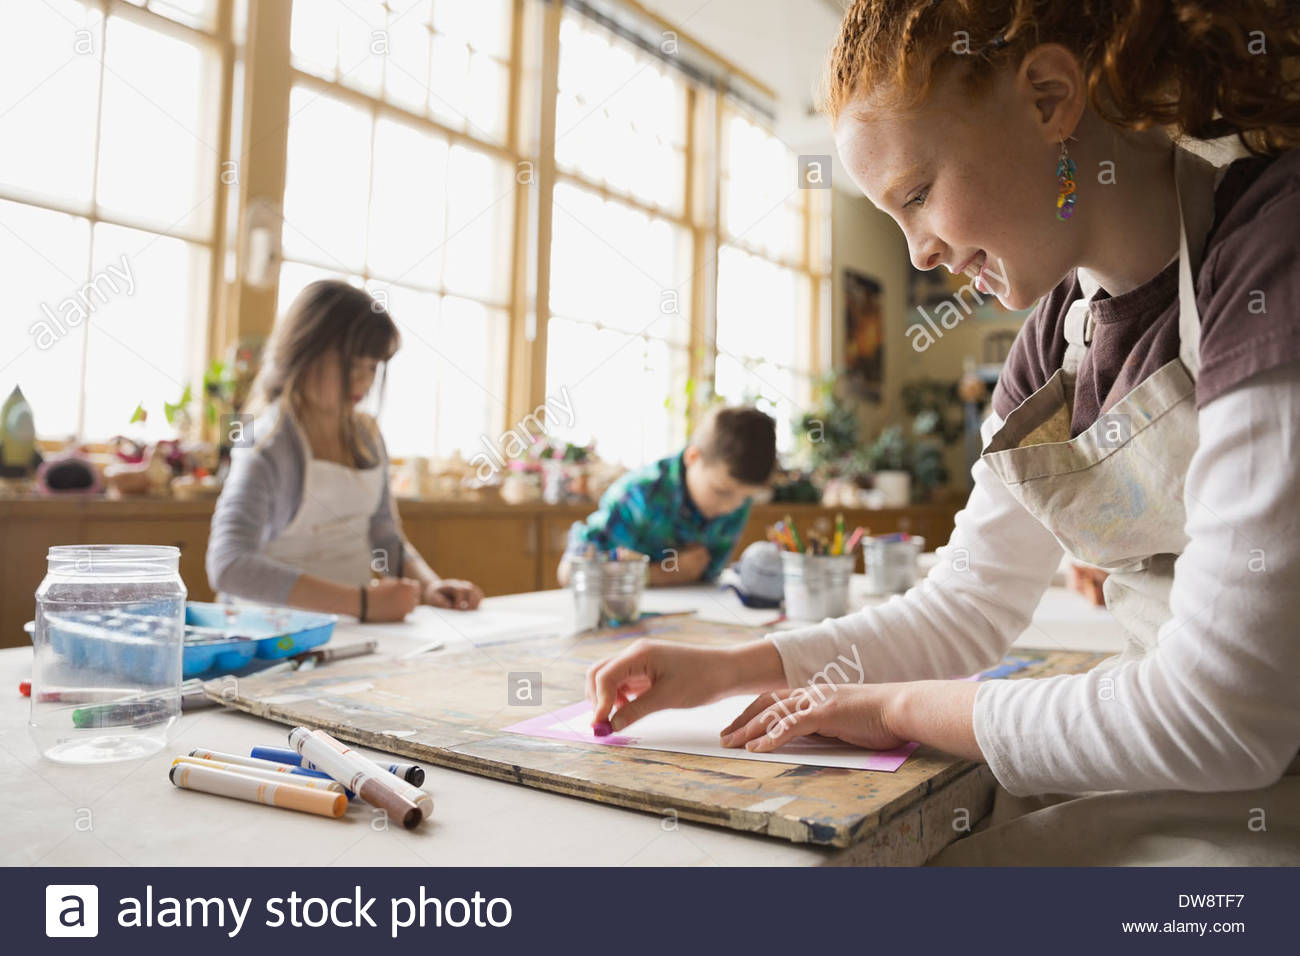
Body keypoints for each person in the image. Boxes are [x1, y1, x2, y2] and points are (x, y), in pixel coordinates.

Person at [583, 0, 1300, 864]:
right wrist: (735, 667)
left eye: (917, 194)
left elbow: (1222, 717)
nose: (918, 254)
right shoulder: (1053, 341)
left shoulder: (1269, 252)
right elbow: (964, 606)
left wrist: (894, 708)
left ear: (1047, 98)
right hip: (1198, 772)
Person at [206, 279, 482, 622]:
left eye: (371, 367)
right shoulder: (265, 443)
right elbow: (228, 565)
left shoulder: (366, 436)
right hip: (272, 632)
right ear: (306, 353)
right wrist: (362, 603)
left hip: (352, 627)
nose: (363, 382)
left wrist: (429, 586)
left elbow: (383, 535)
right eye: (350, 365)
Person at [557, 406, 776, 587]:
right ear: (693, 457)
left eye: (745, 497)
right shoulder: (639, 495)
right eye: (721, 492)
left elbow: (708, 575)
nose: (731, 506)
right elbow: (570, 573)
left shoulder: (735, 499)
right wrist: (663, 573)